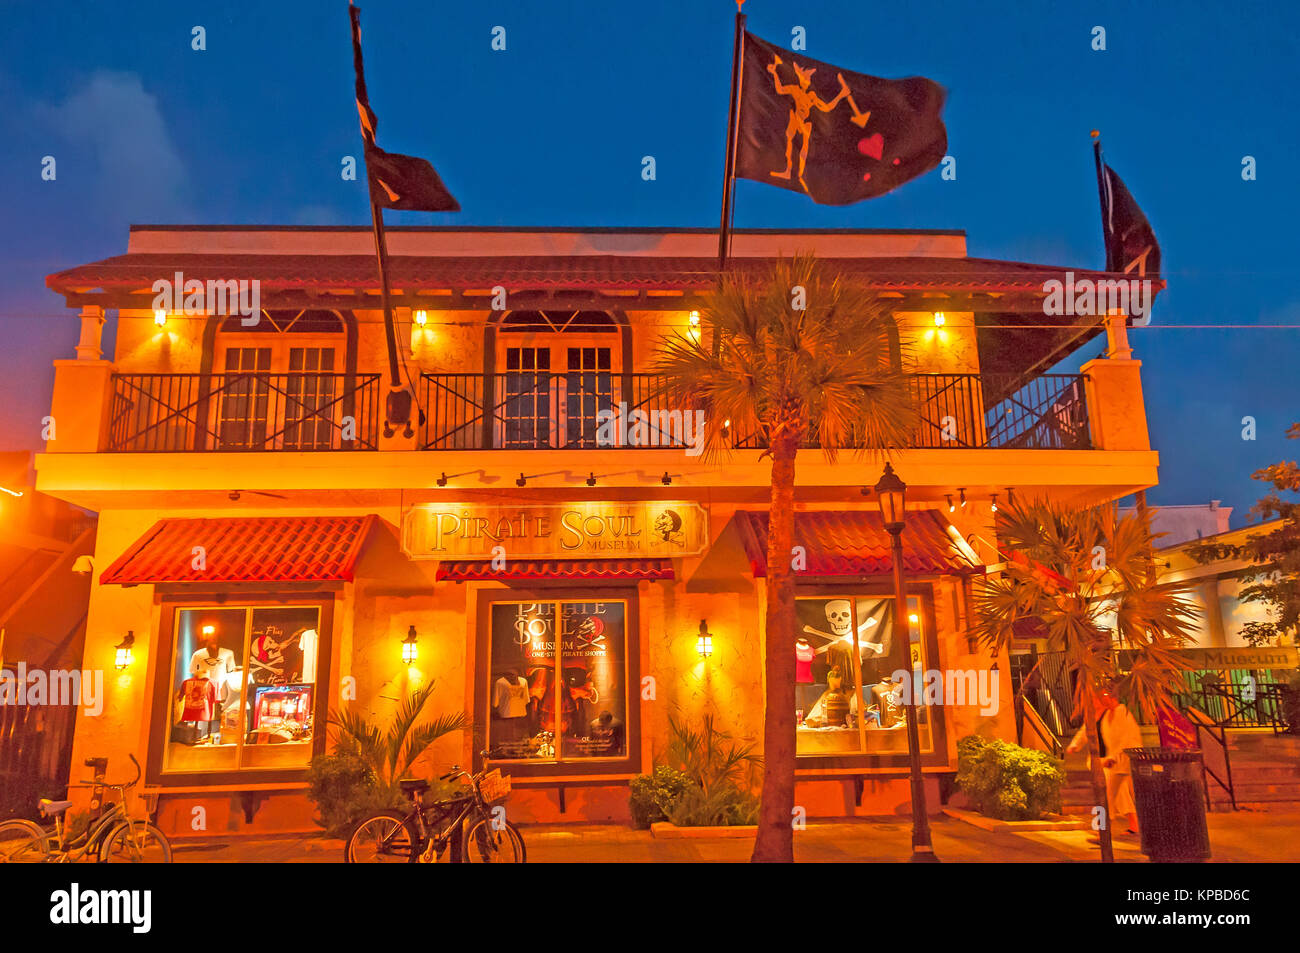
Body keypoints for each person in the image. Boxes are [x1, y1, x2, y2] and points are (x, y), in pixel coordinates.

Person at [1067, 690, 1144, 838]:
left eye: (1099, 698)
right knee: (1119, 795)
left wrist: (1113, 757)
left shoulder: (1120, 712)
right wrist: (1075, 745)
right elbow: (1084, 732)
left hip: (1117, 762)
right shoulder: (1101, 715)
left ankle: (1100, 830)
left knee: (1105, 796)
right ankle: (1132, 825)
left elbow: (1127, 739)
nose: (1096, 701)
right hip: (1106, 762)